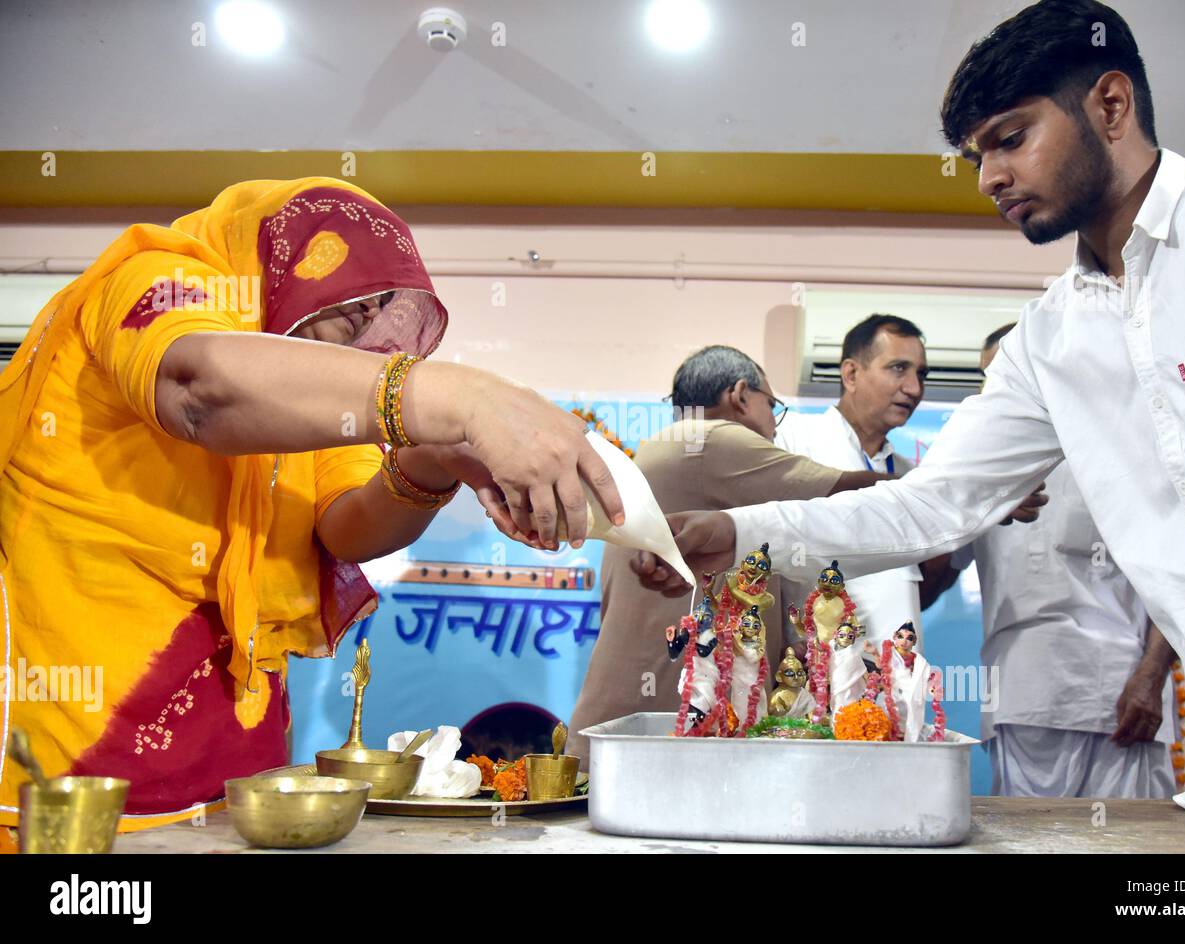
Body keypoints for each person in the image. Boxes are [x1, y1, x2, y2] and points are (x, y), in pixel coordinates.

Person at [635, 0, 1185, 832]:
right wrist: (737, 534)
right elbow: (933, 504)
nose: (988, 176)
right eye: (976, 153)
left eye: (1011, 138)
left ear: (1112, 105)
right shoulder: (1049, 342)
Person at [0, 177, 623, 826]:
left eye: (381, 297)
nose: (365, 308)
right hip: (74, 754)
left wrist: (433, 462)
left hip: (239, 761)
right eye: (347, 270)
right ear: (276, 248)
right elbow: (200, 388)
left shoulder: (312, 395)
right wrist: (459, 396)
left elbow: (348, 528)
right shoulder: (156, 276)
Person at [566, 345, 890, 763]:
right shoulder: (710, 438)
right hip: (670, 731)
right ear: (740, 395)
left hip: (637, 728)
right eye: (772, 405)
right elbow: (849, 493)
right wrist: (954, 493)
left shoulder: (667, 447)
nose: (774, 425)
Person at [956, 324, 1177, 798]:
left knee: (1133, 850)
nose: (995, 394)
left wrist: (1152, 675)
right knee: (1028, 845)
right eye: (987, 380)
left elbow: (1177, 576)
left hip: (1127, 694)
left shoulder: (1128, 452)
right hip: (1024, 693)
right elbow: (931, 568)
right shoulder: (974, 468)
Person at [776, 314, 955, 648]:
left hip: (899, 676)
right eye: (898, 368)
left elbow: (918, 589)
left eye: (921, 373)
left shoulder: (913, 475)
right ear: (851, 374)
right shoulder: (794, 442)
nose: (914, 388)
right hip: (817, 672)